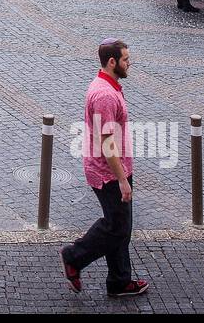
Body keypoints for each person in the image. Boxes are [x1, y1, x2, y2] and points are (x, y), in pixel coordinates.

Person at [60, 39, 149, 298]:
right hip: (108, 173)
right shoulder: (104, 95)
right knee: (116, 227)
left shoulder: (108, 86)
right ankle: (74, 257)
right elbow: (107, 141)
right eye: (125, 59)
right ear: (112, 62)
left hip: (115, 169)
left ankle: (120, 281)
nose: (129, 63)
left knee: (121, 226)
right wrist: (122, 179)